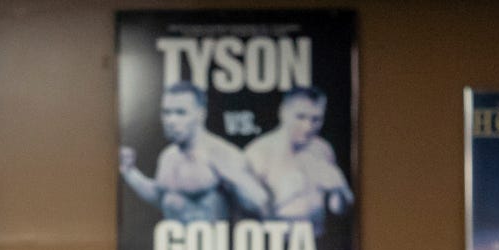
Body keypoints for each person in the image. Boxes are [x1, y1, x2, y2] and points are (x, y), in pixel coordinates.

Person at [120, 81, 270, 222]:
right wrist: (129, 172)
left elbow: (261, 204)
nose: (171, 121)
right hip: (175, 247)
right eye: (166, 112)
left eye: (180, 113)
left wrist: (234, 177)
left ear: (200, 114)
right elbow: (162, 197)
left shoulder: (221, 153)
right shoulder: (168, 156)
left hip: (213, 247)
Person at [244, 87, 354, 228]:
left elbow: (338, 210)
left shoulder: (322, 149)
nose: (308, 126)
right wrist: (283, 196)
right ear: (283, 112)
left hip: (315, 240)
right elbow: (245, 216)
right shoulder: (259, 153)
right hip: (275, 242)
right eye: (300, 117)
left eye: (316, 119)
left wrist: (339, 190)